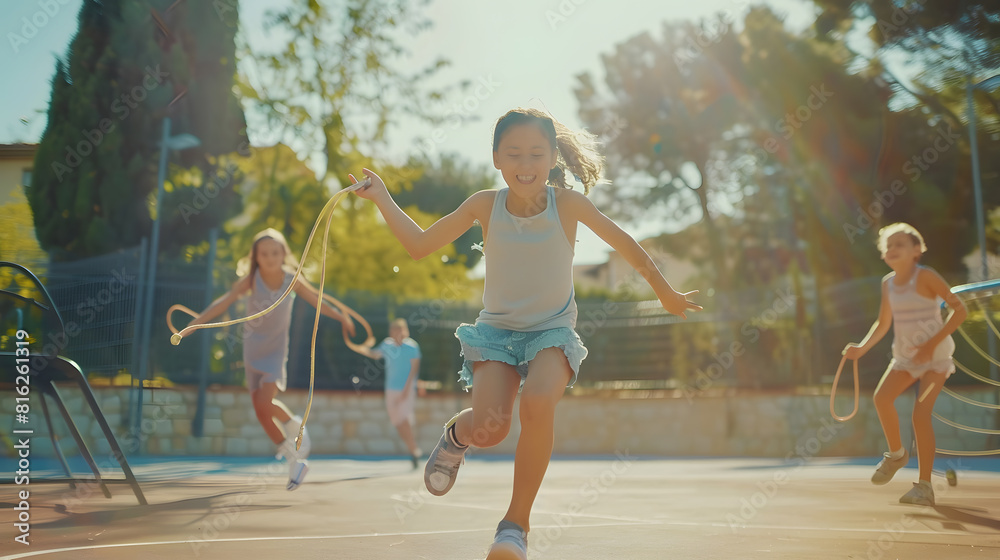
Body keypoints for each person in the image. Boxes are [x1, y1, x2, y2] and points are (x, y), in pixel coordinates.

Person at [351, 107, 701, 559]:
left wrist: (665, 292)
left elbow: (626, 245)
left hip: (552, 331)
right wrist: (382, 197)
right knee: (491, 431)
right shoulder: (484, 204)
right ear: (497, 158)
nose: (525, 164)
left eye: (537, 153)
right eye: (514, 153)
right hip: (496, 335)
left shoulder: (568, 205)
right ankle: (459, 435)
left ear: (553, 157)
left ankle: (514, 527)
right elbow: (419, 246)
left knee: (538, 402)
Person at [184, 228, 356, 490]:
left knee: (265, 401)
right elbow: (224, 301)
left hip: (275, 351)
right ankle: (294, 461)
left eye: (275, 252)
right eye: (264, 253)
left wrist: (341, 317)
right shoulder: (252, 279)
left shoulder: (292, 278)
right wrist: (195, 324)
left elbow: (317, 300)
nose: (270, 257)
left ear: (283, 253)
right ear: (256, 256)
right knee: (261, 411)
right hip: (253, 349)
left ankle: (296, 426)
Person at [844, 223, 967, 506]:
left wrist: (930, 344)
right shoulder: (887, 283)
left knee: (920, 416)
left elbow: (960, 311)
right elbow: (883, 322)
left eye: (899, 244)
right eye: (888, 245)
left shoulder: (927, 277)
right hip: (905, 359)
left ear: (917, 250)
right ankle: (897, 455)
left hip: (936, 360)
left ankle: (924, 487)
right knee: (881, 398)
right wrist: (861, 348)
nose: (892, 249)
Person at [356, 318, 425, 468]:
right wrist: (362, 348)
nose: (397, 333)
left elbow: (414, 371)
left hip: (406, 389)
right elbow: (375, 354)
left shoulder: (412, 347)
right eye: (394, 330)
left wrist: (407, 390)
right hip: (391, 389)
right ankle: (413, 449)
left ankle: (413, 451)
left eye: (399, 330)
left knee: (404, 419)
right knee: (397, 421)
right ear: (391, 332)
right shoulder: (387, 344)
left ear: (404, 331)